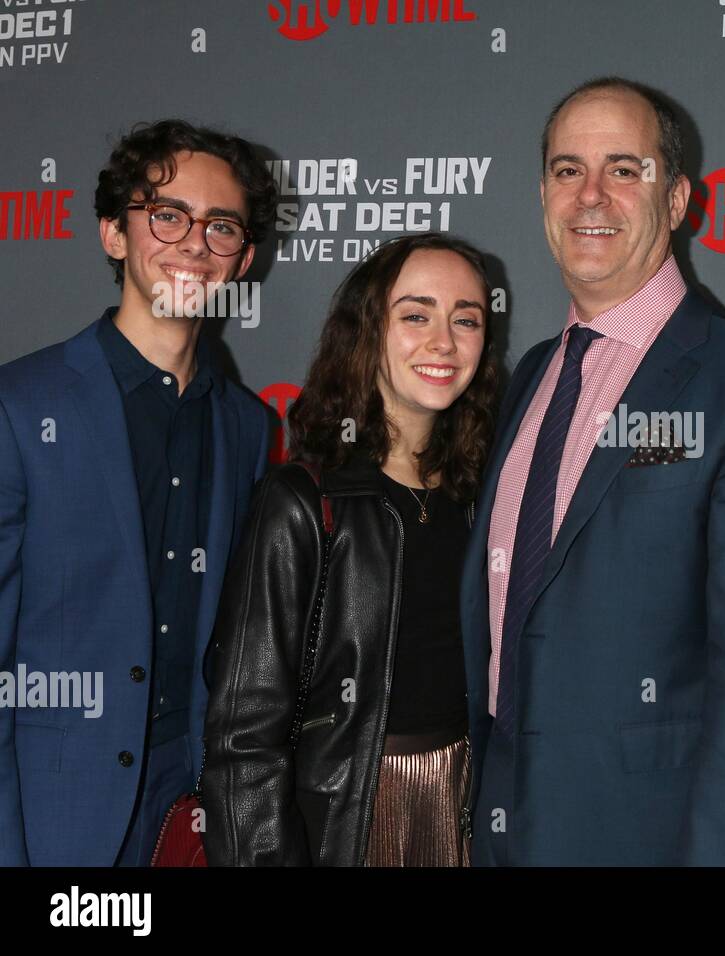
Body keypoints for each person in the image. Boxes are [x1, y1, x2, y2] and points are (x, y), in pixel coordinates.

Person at [461, 77, 725, 866]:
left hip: (647, 836)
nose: (591, 195)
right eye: (566, 169)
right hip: (500, 818)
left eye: (625, 169)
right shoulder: (527, 376)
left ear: (679, 196)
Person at [0, 119, 276, 866]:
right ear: (114, 235)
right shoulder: (21, 408)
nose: (194, 242)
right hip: (52, 812)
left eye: (221, 226)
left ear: (242, 260)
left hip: (189, 811)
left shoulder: (249, 428)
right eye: (167, 214)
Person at [201, 233, 497, 866]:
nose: (443, 341)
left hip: (471, 812)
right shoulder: (304, 500)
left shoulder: (485, 498)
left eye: (465, 319)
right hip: (348, 816)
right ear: (368, 331)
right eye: (416, 315)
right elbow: (244, 733)